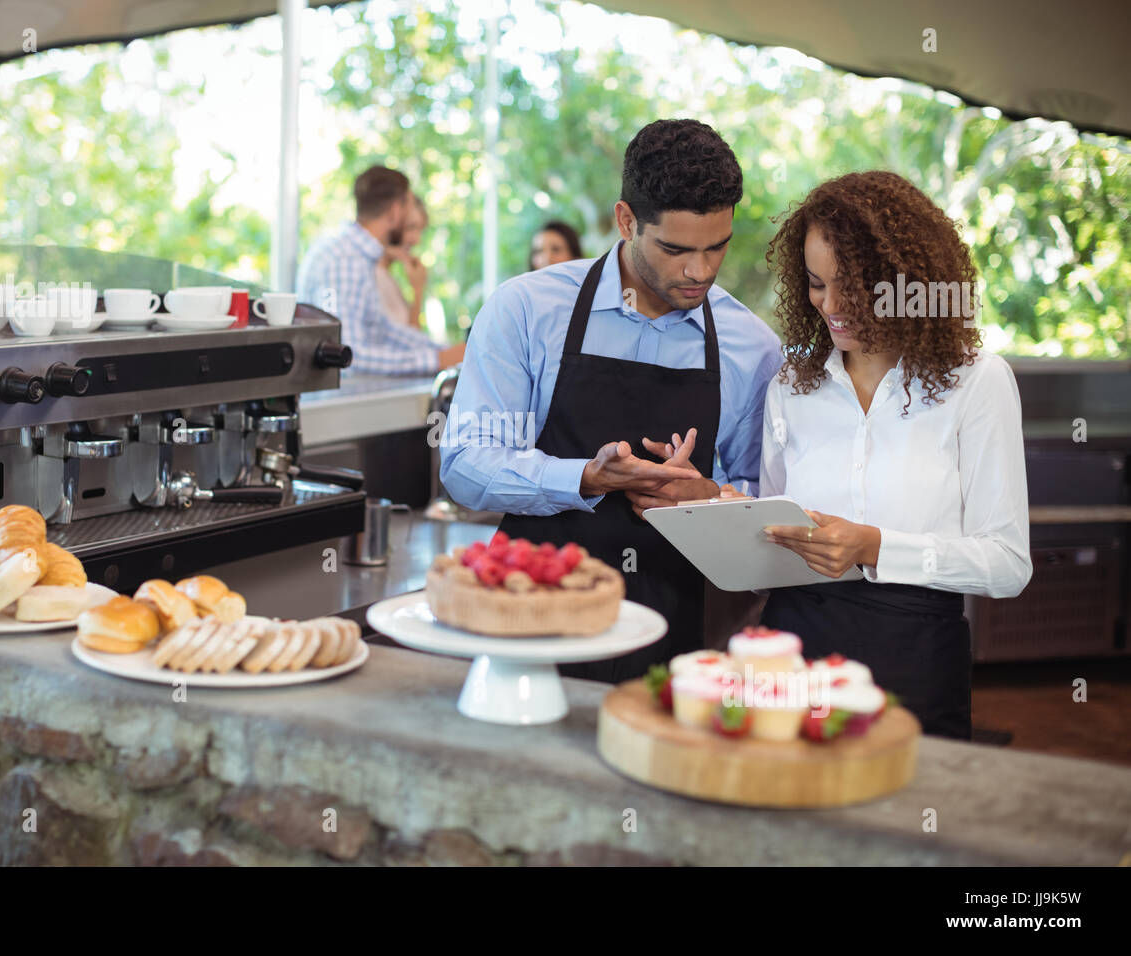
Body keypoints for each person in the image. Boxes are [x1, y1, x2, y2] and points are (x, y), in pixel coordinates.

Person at [440, 119, 783, 682]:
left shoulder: (752, 347)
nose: (699, 272)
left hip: (673, 631)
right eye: (675, 249)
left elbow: (764, 507)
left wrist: (708, 500)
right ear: (626, 220)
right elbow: (464, 463)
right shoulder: (526, 310)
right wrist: (584, 478)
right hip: (531, 615)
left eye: (716, 247)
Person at [707, 170, 1031, 739]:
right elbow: (775, 528)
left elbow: (1006, 564)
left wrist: (876, 547)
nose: (830, 306)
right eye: (815, 283)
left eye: (851, 286)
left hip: (916, 648)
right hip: (795, 643)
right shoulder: (791, 385)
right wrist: (733, 514)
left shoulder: (977, 382)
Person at [298, 166, 464, 374]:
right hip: (345, 402)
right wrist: (437, 359)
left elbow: (384, 331)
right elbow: (348, 356)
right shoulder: (343, 259)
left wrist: (447, 352)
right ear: (395, 212)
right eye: (409, 209)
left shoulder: (359, 258)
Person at [376, 194, 429, 329]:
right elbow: (412, 340)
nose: (416, 240)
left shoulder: (386, 277)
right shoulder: (376, 278)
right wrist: (418, 290)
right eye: (411, 227)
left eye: (420, 230)